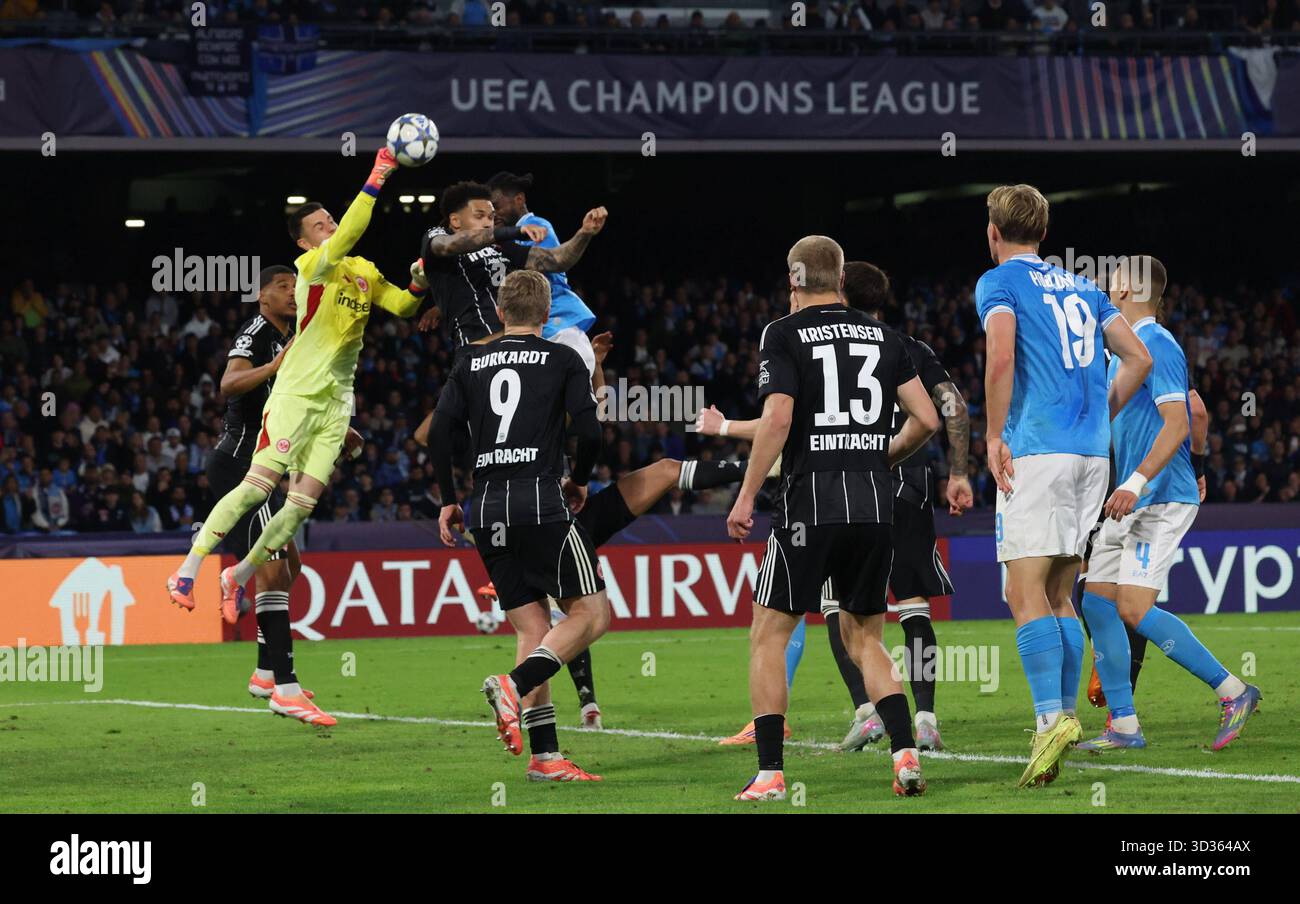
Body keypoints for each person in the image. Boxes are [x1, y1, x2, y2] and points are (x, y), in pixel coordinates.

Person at [169, 149, 425, 710]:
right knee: (268, 520)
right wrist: (379, 174)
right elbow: (229, 384)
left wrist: (420, 281)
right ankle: (197, 575)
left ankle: (246, 605)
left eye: (331, 220)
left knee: (296, 532)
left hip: (335, 406)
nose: (331, 227)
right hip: (275, 418)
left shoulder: (361, 273)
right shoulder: (312, 271)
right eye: (320, 226)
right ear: (305, 244)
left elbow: (405, 309)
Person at [709, 260, 973, 753]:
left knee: (823, 612)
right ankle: (925, 720)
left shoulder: (799, 336)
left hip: (826, 486)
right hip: (899, 484)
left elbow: (779, 419)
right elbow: (948, 406)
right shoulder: (905, 344)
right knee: (909, 607)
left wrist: (725, 437)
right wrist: (958, 471)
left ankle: (858, 713)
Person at [975, 184, 1151, 788]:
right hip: (1089, 459)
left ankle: (1049, 719)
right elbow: (1137, 359)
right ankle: (1066, 718)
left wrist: (994, 434)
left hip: (1038, 452)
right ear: (1044, 234)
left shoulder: (998, 283)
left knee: (1023, 595)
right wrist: (1099, 412)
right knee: (1057, 596)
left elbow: (1000, 360)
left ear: (995, 233)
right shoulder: (1085, 287)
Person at [428, 269, 608, 782]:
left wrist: (447, 499)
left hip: (484, 506)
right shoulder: (564, 358)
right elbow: (590, 430)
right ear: (548, 315)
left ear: (501, 313)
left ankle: (546, 755)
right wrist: (582, 480)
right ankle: (513, 684)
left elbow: (440, 432)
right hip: (539, 501)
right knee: (592, 615)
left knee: (533, 628)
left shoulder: (470, 361)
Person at [1078, 256, 1260, 752]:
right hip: (1131, 499)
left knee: (1134, 609)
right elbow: (1196, 408)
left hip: (1155, 497)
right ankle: (1124, 725)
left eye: (1113, 280)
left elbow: (1180, 421)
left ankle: (1235, 690)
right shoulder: (1127, 349)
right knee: (1097, 602)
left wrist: (1136, 481)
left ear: (1131, 289)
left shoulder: (1156, 342)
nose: (1105, 286)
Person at [416, 181, 607, 353]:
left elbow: (556, 260)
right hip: (477, 350)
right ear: (456, 221)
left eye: (491, 217)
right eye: (479, 216)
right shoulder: (438, 235)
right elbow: (449, 245)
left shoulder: (502, 247)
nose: (487, 223)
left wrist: (584, 234)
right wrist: (513, 231)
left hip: (515, 346)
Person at [486, 172, 600, 378]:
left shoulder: (537, 226)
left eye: (498, 206)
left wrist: (584, 234)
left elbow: (554, 262)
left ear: (519, 199)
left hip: (557, 328)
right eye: (490, 210)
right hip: (526, 334)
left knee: (571, 401)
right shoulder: (498, 240)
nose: (495, 214)